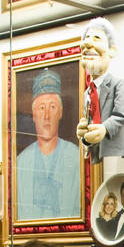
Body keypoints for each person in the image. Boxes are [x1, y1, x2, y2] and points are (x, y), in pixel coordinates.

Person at [16, 69, 81, 222]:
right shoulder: (21, 163)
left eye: (52, 107)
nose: (46, 116)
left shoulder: (75, 157)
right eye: (41, 108)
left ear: (60, 113)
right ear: (33, 114)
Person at [76, 17, 124, 162]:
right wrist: (84, 135)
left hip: (114, 151)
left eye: (96, 38)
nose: (87, 43)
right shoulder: (88, 92)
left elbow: (121, 115)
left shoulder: (118, 84)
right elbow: (89, 119)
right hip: (97, 155)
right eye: (87, 38)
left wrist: (104, 129)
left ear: (111, 50)